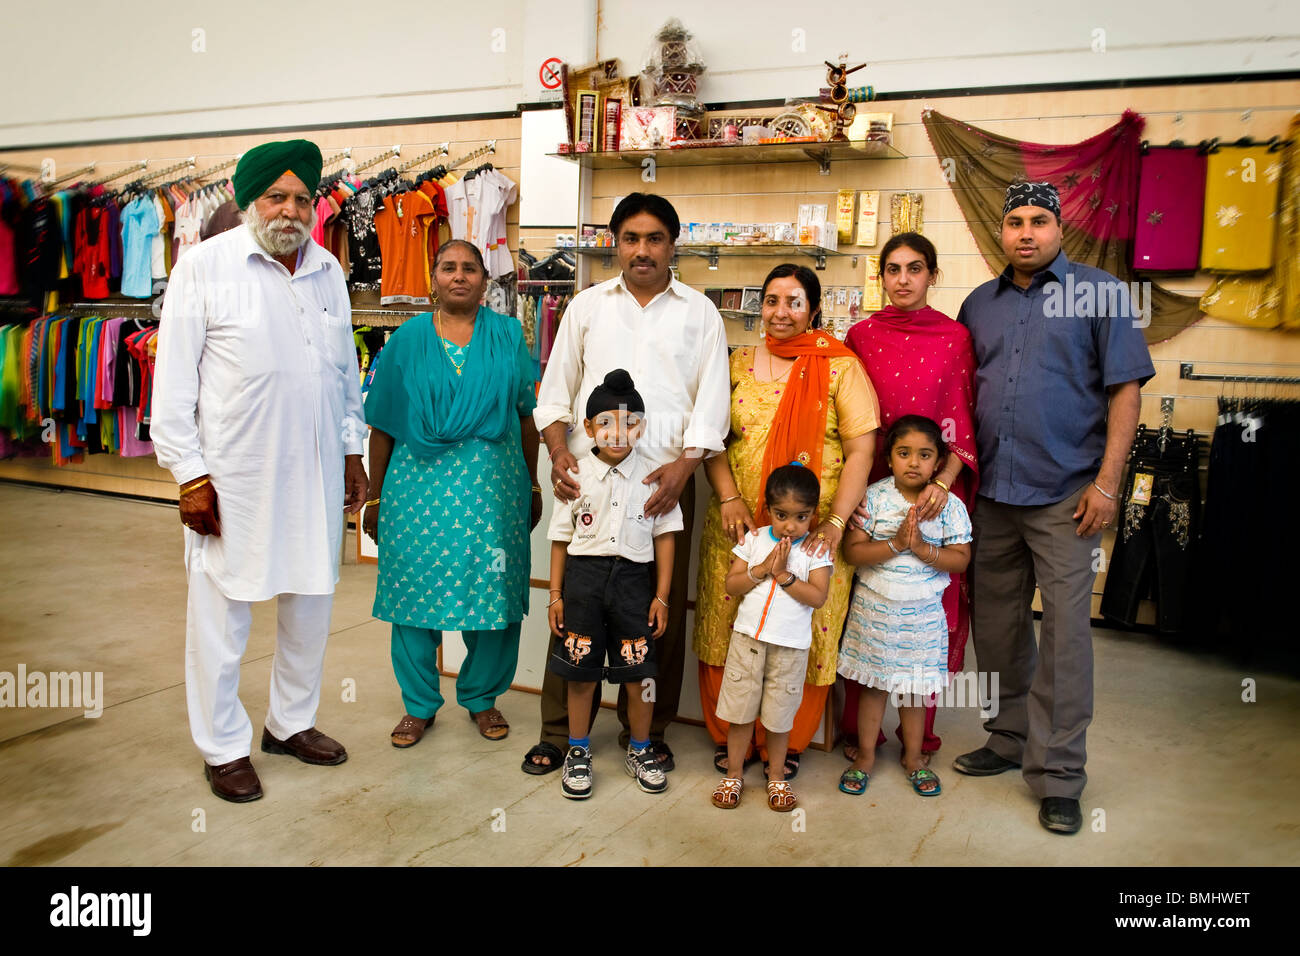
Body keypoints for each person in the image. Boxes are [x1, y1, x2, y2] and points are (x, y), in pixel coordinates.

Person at [152, 139, 368, 803]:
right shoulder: (205, 268)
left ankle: (290, 723)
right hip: (233, 480)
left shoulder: (329, 269)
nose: (291, 208)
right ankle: (222, 747)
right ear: (249, 202)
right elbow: (171, 389)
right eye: (277, 196)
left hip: (315, 471)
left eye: (304, 197)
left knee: (311, 601)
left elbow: (342, 373)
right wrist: (189, 474)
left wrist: (352, 450)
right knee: (223, 615)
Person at [953, 182, 1153, 834]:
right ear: (1001, 231)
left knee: (1066, 638)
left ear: (1060, 227)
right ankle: (1009, 738)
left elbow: (1126, 392)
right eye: (1014, 221)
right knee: (999, 629)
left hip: (1069, 499)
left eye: (1039, 220)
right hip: (993, 498)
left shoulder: (1100, 294)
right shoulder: (978, 304)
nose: (1026, 233)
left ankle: (1060, 774)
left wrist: (1107, 484)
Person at [523, 193, 730, 775]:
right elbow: (555, 393)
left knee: (657, 614)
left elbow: (712, 404)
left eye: (655, 238)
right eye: (631, 238)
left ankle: (647, 734)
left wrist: (685, 469)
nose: (642, 250)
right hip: (588, 483)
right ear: (616, 242)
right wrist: (561, 452)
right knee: (574, 612)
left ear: (673, 244)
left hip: (664, 483)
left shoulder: (700, 312)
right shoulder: (587, 307)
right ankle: (560, 734)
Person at [693, 263, 878, 780]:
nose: (781, 312)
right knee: (726, 624)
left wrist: (836, 523)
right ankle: (731, 738)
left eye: (794, 302)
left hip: (812, 533)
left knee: (804, 630)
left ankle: (786, 742)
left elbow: (863, 448)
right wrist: (728, 496)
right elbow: (710, 436)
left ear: (813, 309)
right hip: (737, 528)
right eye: (771, 300)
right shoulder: (735, 362)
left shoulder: (840, 367)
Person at [362, 239, 541, 749]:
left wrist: (532, 482)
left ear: (486, 281)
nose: (459, 276)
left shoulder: (508, 335)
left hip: (493, 493)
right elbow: (383, 424)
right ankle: (418, 705)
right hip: (416, 494)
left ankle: (482, 698)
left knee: (494, 595)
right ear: (433, 278)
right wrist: (374, 497)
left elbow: (525, 417)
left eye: (469, 268)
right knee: (412, 598)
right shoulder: (408, 339)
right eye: (448, 267)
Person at [840, 233, 979, 764]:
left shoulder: (955, 338)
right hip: (872, 486)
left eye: (914, 268)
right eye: (893, 269)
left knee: (927, 601)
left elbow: (962, 421)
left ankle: (918, 736)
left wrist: (941, 483)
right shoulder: (862, 334)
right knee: (867, 601)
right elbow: (850, 414)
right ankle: (860, 730)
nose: (902, 279)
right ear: (881, 277)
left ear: (932, 275)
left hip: (937, 487)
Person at [545, 369, 681, 799]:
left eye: (629, 422)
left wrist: (661, 596)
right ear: (588, 428)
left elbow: (665, 538)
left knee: (638, 671)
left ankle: (640, 749)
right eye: (606, 422)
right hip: (583, 581)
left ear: (642, 426)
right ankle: (578, 749)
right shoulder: (575, 475)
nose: (618, 433)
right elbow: (560, 540)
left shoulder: (655, 478)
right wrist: (555, 594)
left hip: (634, 584)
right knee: (581, 671)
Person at [838, 416, 972, 798]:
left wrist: (923, 549)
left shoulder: (947, 505)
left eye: (924, 455)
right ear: (890, 458)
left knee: (915, 691)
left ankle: (913, 757)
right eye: (904, 453)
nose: (913, 462)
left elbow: (961, 558)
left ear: (938, 462)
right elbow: (853, 552)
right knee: (873, 688)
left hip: (923, 614)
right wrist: (897, 544)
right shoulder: (874, 497)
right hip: (874, 609)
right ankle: (865, 756)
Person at [712, 464, 833, 813]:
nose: (790, 526)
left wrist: (784, 576)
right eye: (781, 515)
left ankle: (777, 778)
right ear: (767, 509)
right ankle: (734, 775)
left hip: (790, 647)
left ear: (814, 514)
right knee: (740, 713)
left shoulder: (815, 551)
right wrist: (763, 569)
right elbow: (731, 585)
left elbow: (818, 597)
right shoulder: (753, 540)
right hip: (747, 640)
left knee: (779, 718)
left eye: (801, 517)